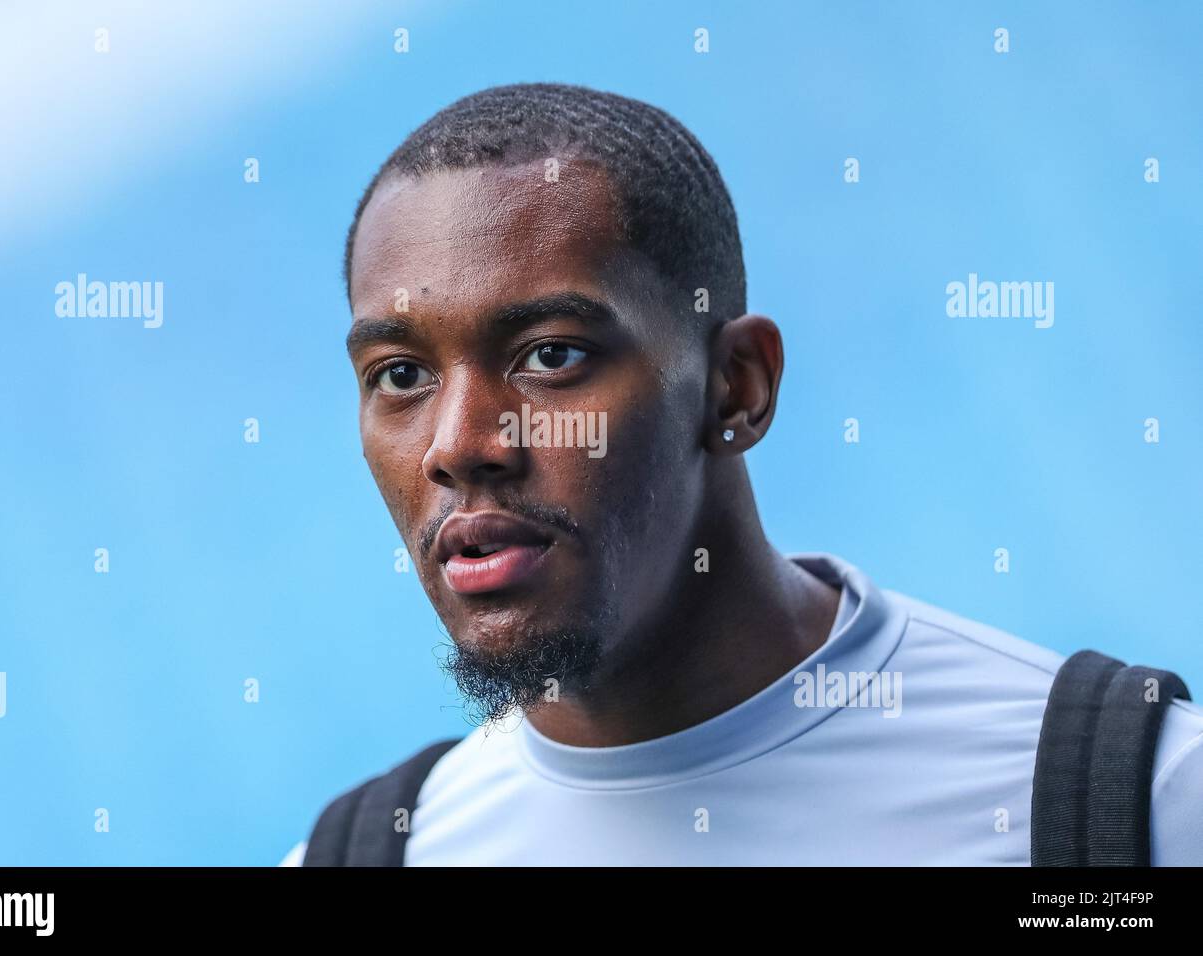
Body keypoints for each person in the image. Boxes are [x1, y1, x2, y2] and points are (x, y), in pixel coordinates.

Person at [283, 82, 1202, 865]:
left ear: (736, 387)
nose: (459, 444)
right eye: (400, 376)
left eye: (551, 355)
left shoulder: (1120, 808)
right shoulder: (375, 856)